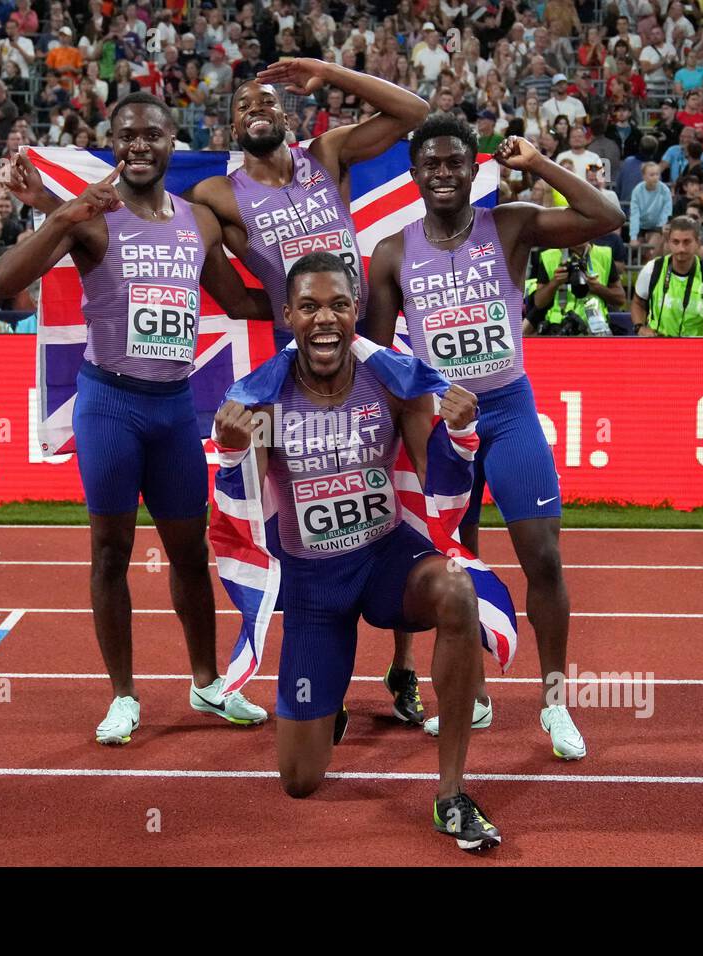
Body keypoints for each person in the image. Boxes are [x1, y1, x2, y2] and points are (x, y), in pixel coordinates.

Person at [0, 92, 275, 745]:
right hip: (110, 406)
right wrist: (60, 217)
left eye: (152, 134)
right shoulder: (91, 220)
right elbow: (8, 281)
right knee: (111, 550)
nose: (141, 145)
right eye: (128, 136)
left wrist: (315, 301)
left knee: (188, 552)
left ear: (172, 141)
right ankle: (123, 695)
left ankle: (209, 684)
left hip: (173, 409)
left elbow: (237, 299)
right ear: (115, 142)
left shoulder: (199, 222)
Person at [213, 252, 501, 850]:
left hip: (385, 560)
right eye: (311, 306)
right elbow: (241, 504)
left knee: (456, 590)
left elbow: (438, 484)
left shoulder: (395, 384)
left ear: (356, 313)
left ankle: (451, 793)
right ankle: (329, 696)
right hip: (315, 588)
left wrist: (459, 433)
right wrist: (233, 448)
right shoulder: (261, 401)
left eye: (339, 305)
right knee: (298, 780)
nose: (326, 319)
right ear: (288, 315)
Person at [185, 60, 431, 721]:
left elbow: (415, 111)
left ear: (288, 116)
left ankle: (403, 671)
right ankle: (317, 679)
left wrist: (327, 71)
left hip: (370, 362)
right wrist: (259, 301)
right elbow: (216, 275)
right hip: (290, 381)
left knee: (398, 502)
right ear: (232, 126)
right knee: (290, 517)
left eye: (266, 101)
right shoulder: (220, 193)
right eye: (242, 105)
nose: (255, 109)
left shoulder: (326, 154)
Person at [367, 118, 623, 748]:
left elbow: (606, 215)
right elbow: (377, 357)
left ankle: (556, 701)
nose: (445, 172)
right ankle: (473, 697)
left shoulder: (509, 224)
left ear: (473, 169)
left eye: (457, 161)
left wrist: (537, 163)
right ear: (414, 173)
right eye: (432, 163)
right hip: (444, 426)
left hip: (507, 412)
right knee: (459, 564)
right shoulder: (394, 253)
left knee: (543, 556)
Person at [631, 216, 703, 337]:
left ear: (698, 242)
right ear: (668, 242)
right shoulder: (652, 269)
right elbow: (638, 303)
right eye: (676, 242)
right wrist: (640, 327)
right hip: (658, 347)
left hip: (698, 350)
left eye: (687, 242)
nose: (681, 248)